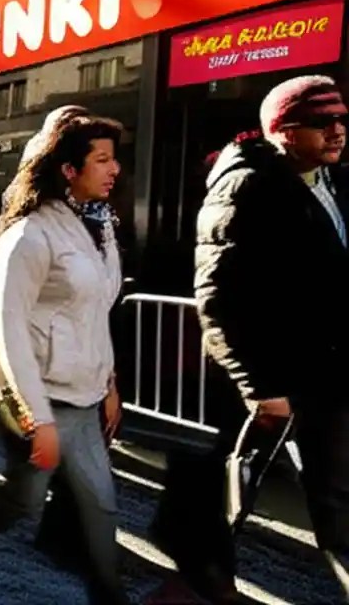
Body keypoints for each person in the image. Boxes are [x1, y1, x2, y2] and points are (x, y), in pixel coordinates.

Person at [154, 75, 349, 601]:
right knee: (256, 496)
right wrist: (259, 386)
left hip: (326, 373)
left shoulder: (330, 180)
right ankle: (194, 583)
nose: (337, 131)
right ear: (282, 130)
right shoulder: (248, 185)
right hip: (279, 379)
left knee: (325, 499)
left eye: (341, 119)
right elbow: (218, 296)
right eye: (321, 122)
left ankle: (197, 581)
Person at [0, 112, 127, 604]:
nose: (114, 168)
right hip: (34, 395)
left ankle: (109, 594)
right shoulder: (30, 234)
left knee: (101, 504)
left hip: (84, 394)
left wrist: (110, 382)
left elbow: (95, 313)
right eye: (102, 159)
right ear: (68, 170)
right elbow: (6, 333)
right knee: (26, 496)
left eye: (114, 157)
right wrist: (36, 419)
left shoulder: (101, 228)